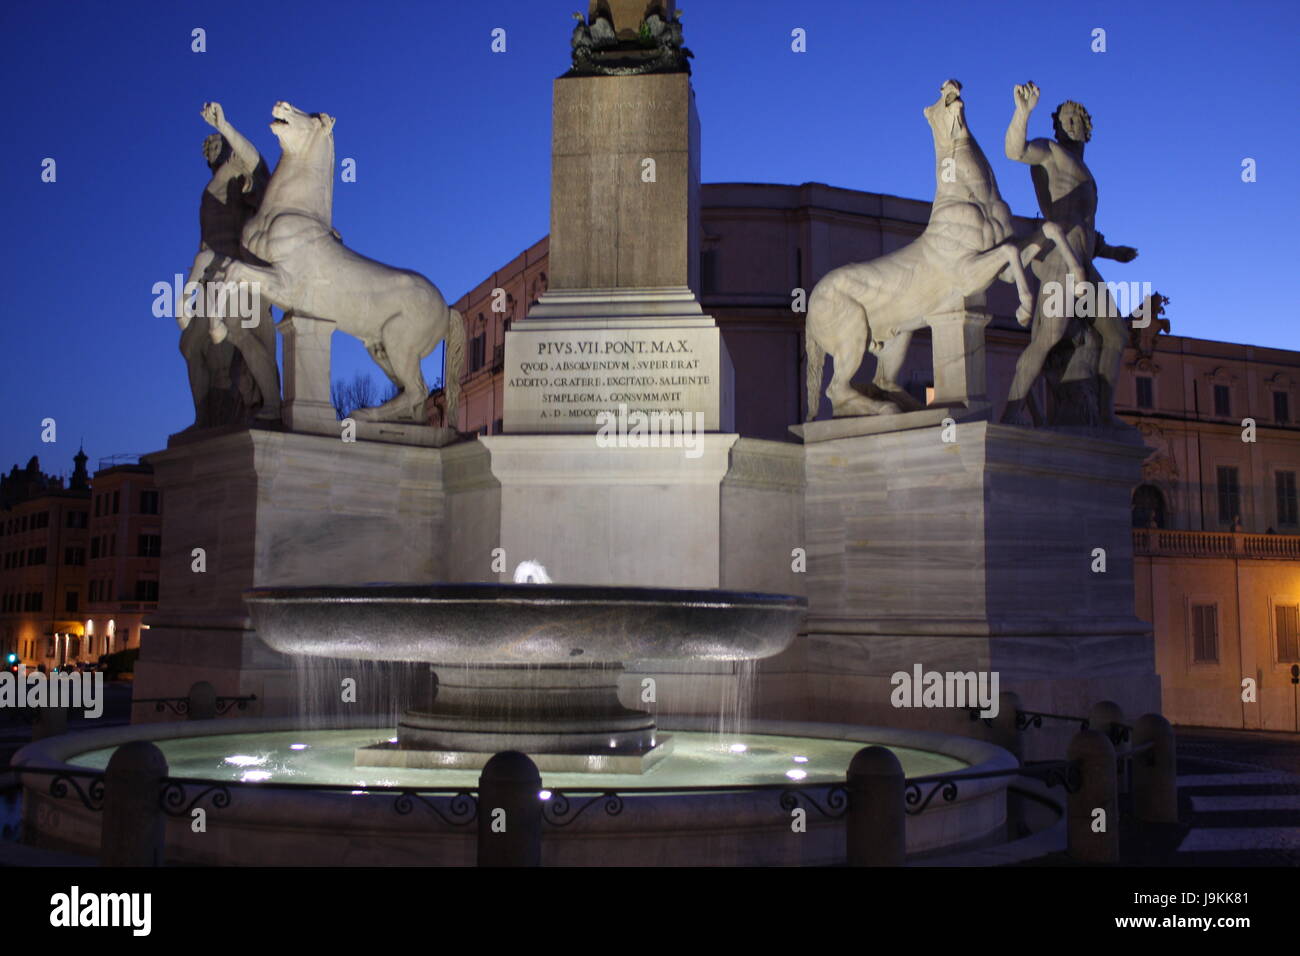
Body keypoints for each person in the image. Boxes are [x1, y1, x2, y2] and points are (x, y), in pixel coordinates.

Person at [1002, 83, 1138, 426]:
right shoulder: (1050, 152)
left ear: (1088, 126)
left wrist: (1111, 251)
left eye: (1077, 118)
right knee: (1047, 337)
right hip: (1060, 262)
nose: (1072, 123)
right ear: (1056, 125)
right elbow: (1014, 151)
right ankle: (1012, 411)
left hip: (1084, 262)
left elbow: (1085, 225)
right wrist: (1023, 112)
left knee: (1116, 334)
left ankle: (1105, 416)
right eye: (1065, 118)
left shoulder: (1085, 171)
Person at [178, 102, 281, 426]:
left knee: (242, 337)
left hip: (243, 276)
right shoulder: (208, 192)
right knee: (191, 347)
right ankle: (205, 419)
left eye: (217, 146)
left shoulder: (241, 179)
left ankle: (272, 407)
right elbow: (205, 243)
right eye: (208, 148)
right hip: (211, 279)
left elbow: (255, 160)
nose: (211, 151)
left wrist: (225, 126)